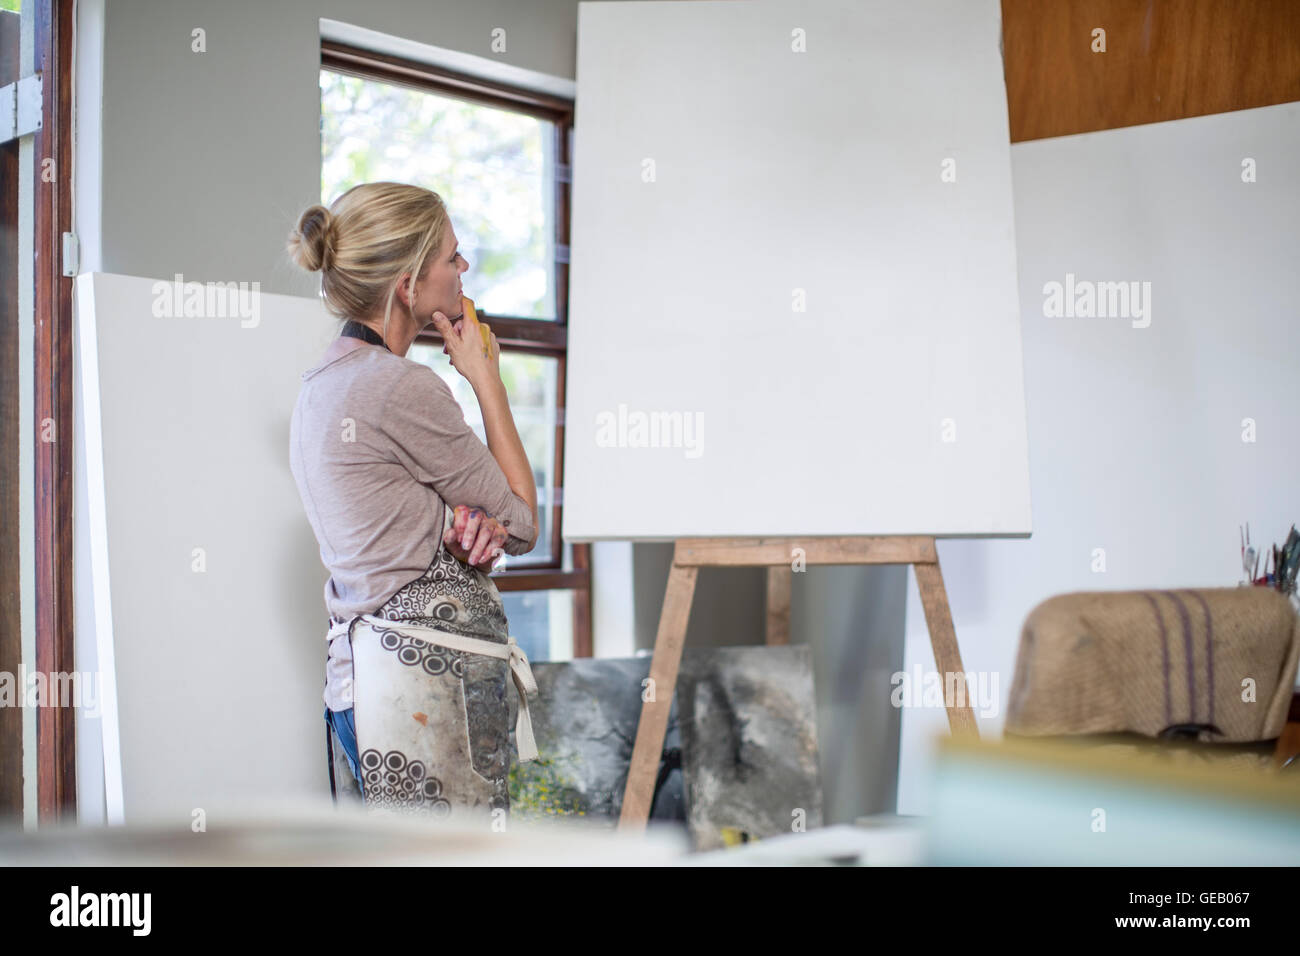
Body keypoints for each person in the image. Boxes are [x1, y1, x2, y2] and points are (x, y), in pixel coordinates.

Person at [286, 182, 540, 819]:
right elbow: (524, 520)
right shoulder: (400, 387)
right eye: (452, 257)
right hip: (418, 696)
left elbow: (415, 524)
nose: (464, 270)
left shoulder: (321, 386)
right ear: (407, 285)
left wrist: (461, 529)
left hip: (356, 690)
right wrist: (486, 377)